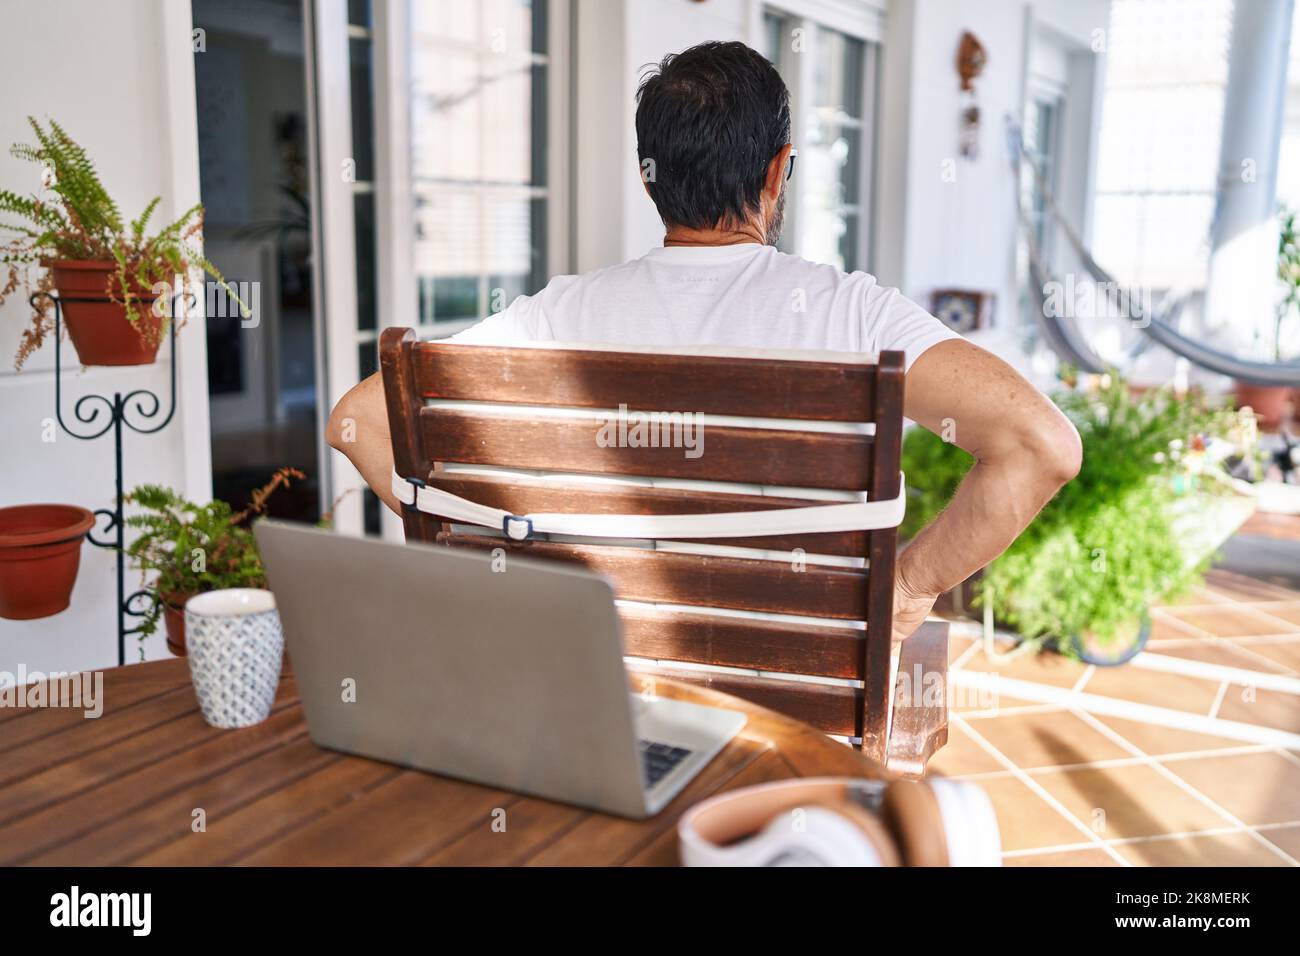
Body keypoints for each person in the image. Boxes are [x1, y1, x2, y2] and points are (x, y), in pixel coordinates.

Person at [327, 41, 1081, 645]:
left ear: (649, 180)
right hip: (800, 706)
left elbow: (358, 420)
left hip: (610, 688)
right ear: (779, 171)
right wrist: (911, 587)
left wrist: (495, 546)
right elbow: (1042, 445)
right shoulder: (852, 317)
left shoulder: (559, 315)